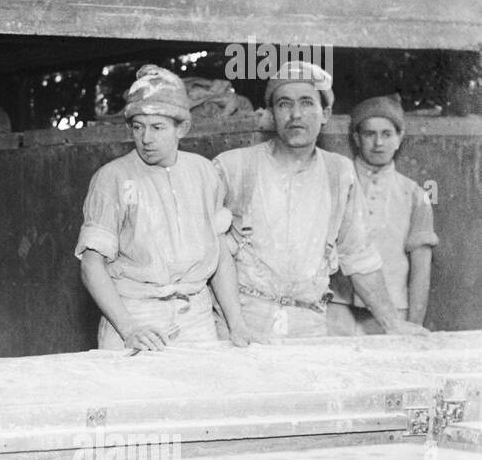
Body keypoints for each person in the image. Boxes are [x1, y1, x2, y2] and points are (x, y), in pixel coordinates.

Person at [212, 61, 425, 341]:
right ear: (271, 113)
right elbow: (202, 249)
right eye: (284, 104)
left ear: (325, 113)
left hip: (307, 325)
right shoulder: (233, 167)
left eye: (306, 103)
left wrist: (392, 322)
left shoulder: (339, 173)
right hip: (240, 323)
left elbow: (358, 256)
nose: (295, 114)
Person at [76, 65, 251, 351]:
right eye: (138, 127)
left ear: (181, 128)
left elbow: (221, 257)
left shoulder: (204, 172)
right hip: (136, 316)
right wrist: (129, 329)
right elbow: (91, 266)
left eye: (157, 127)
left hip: (196, 317)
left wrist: (237, 324)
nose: (146, 139)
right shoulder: (113, 178)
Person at [327, 94, 436, 335]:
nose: (378, 143)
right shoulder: (336, 184)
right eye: (369, 134)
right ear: (356, 138)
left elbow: (421, 271)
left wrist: (414, 326)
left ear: (400, 138)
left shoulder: (415, 195)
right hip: (335, 309)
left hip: (391, 313)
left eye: (387, 134)